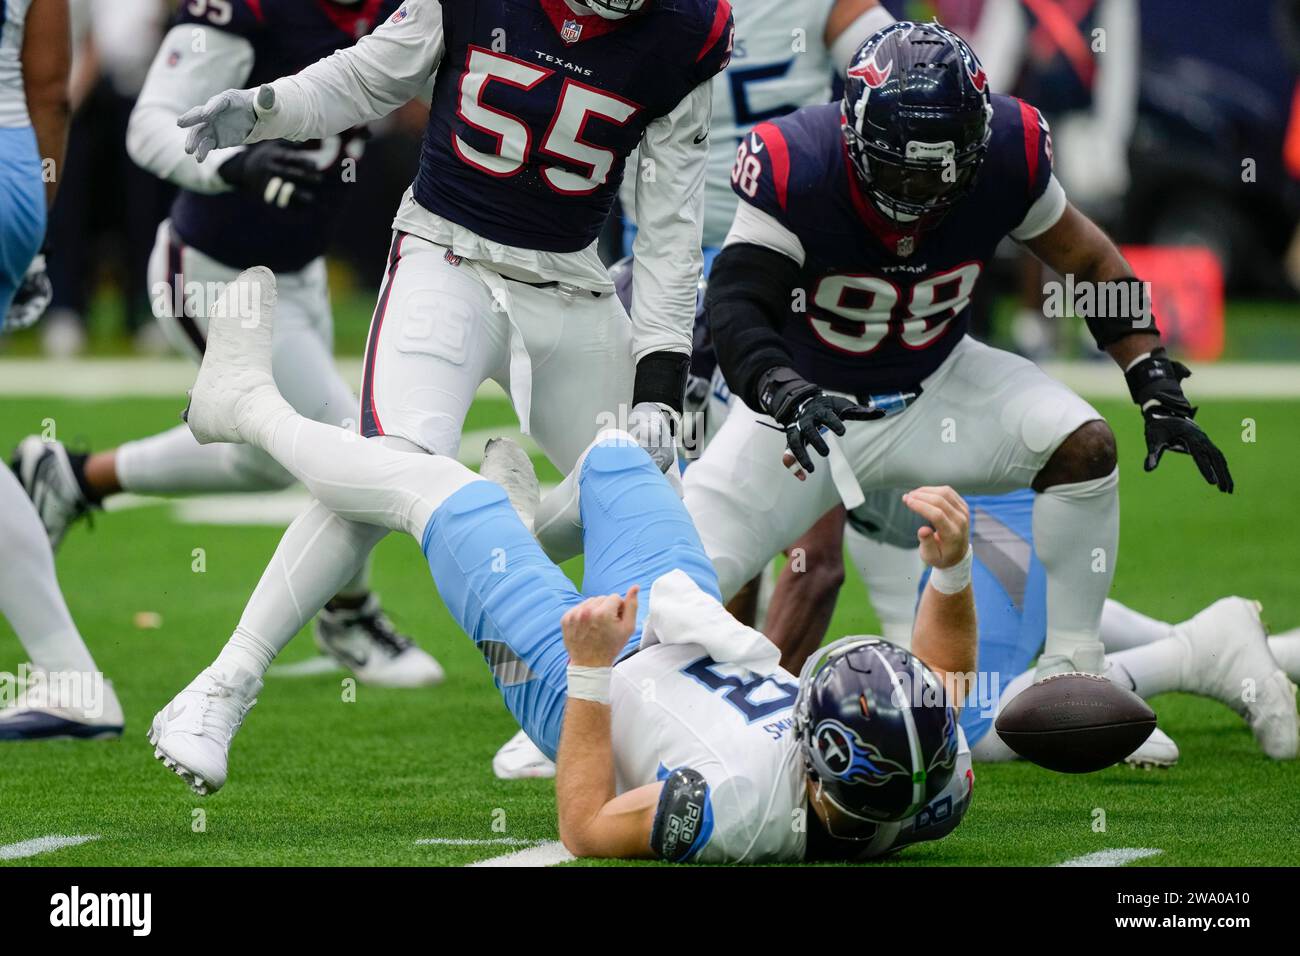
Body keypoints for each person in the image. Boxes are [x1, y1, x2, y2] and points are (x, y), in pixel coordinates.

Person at [152, 267, 977, 862]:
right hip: (684, 619)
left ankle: (246, 408)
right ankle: (516, 531)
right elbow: (942, 683)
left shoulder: (735, 811)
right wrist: (950, 574)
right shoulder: (925, 784)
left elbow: (585, 827)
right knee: (623, 453)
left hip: (588, 683)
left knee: (436, 490)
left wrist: (586, 668)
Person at [148, 0, 737, 747]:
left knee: (654, 501)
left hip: (573, 288)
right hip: (446, 257)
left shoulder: (683, 32)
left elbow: (671, 229)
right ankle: (224, 683)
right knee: (388, 472)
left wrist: (658, 389)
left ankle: (654, 715)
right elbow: (367, 78)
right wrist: (268, 109)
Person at [685, 22, 1233, 706]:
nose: (917, 193)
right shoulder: (798, 158)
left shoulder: (1008, 148)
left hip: (937, 383)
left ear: (975, 145)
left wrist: (1150, 376)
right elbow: (737, 307)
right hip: (809, 412)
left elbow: (1088, 261)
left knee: (1085, 445)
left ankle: (1074, 668)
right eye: (897, 168)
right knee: (675, 588)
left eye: (938, 171)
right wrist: (783, 390)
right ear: (853, 136)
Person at [12, 0, 443, 688]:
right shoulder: (247, 9)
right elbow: (149, 127)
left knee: (264, 462)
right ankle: (349, 613)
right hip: (211, 271)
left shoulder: (399, 9)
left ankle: (73, 476)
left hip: (296, 273)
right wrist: (232, 166)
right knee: (342, 439)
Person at [0, 0, 124, 739]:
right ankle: (65, 672)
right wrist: (34, 230)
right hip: (15, 170)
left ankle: (69, 674)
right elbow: (50, 87)